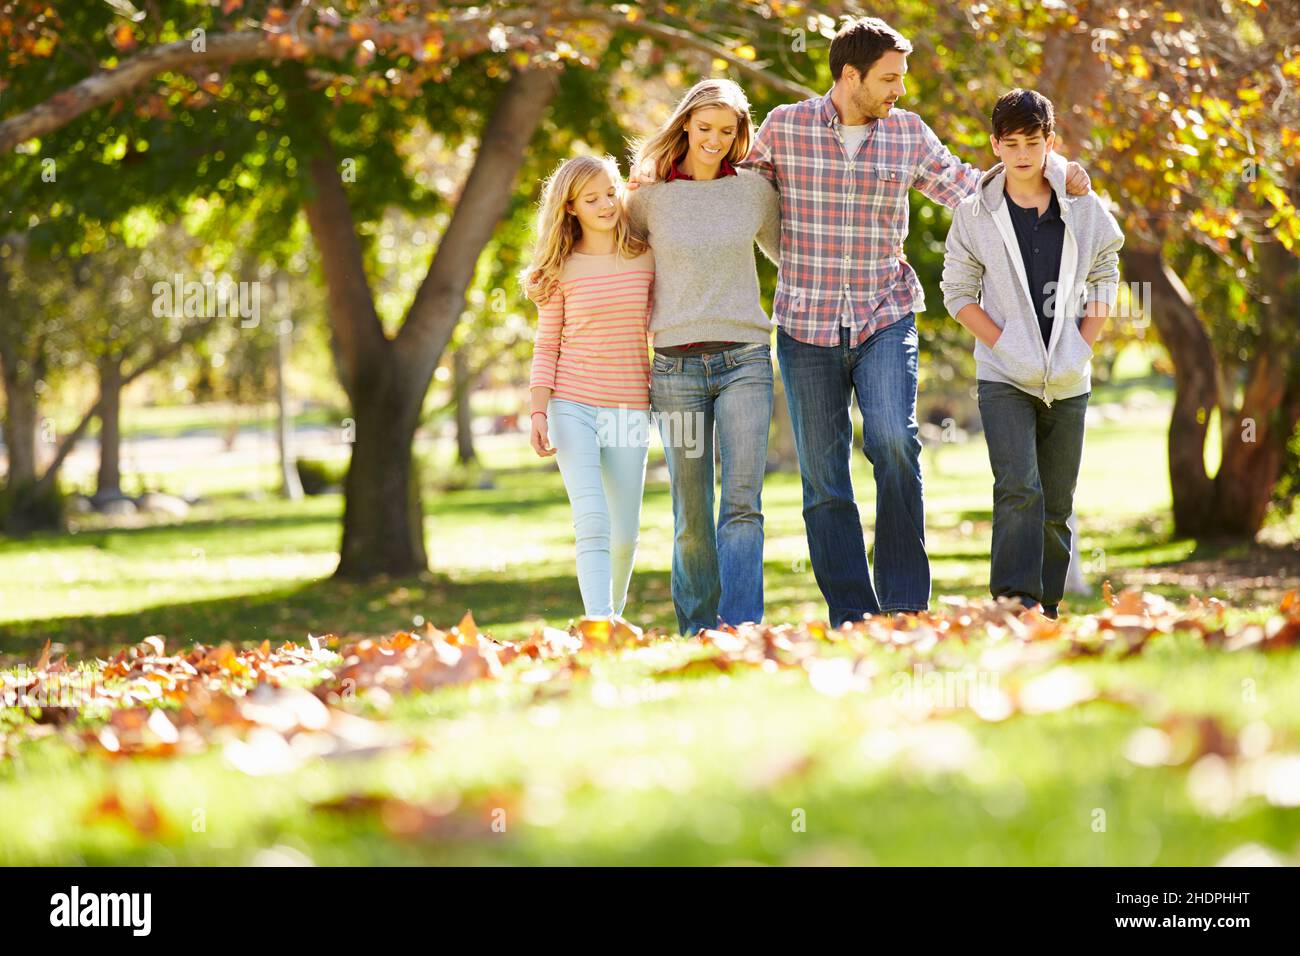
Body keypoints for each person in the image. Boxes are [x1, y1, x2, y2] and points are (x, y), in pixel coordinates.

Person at [738, 16, 1093, 624]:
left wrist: (1055, 173)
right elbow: (736, 196)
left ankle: (903, 605)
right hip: (804, 325)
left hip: (885, 313)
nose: (900, 89)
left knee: (895, 442)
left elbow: (970, 188)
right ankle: (852, 611)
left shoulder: (906, 134)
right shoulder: (784, 127)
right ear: (850, 76)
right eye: (889, 78)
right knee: (824, 477)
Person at [940, 88, 1124, 618]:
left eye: (1034, 142)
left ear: (1050, 142)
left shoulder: (1081, 205)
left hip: (1068, 377)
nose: (1023, 153)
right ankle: (1013, 602)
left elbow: (1105, 273)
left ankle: (1047, 608)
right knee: (1019, 487)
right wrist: (1004, 345)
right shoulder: (974, 213)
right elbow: (957, 293)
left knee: (1057, 502)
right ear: (995, 144)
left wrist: (1081, 344)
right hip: (1003, 377)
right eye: (1012, 142)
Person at [624, 78, 781, 636]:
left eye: (728, 130)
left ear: (741, 134)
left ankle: (740, 627)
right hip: (676, 373)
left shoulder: (754, 191)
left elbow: (797, 254)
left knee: (742, 504)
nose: (715, 139)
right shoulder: (647, 197)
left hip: (744, 362)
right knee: (692, 513)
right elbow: (621, 264)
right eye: (706, 127)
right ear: (686, 124)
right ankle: (695, 630)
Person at [523, 154, 655, 620]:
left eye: (610, 192)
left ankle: (612, 620)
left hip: (630, 407)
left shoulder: (647, 255)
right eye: (591, 198)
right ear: (570, 208)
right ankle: (598, 624)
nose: (605, 204)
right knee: (593, 520)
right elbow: (546, 344)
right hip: (571, 404)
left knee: (625, 534)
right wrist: (539, 411)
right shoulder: (559, 269)